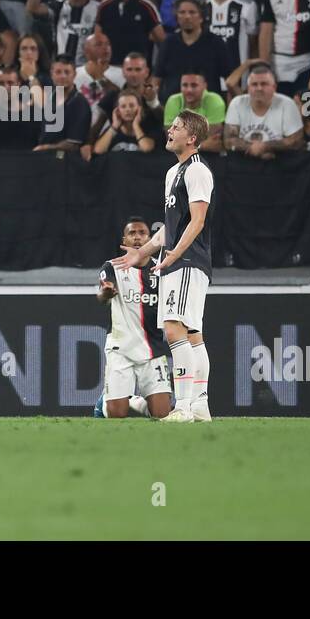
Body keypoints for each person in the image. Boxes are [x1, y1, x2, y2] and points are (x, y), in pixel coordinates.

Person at [110, 109, 214, 423]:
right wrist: (141, 255)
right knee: (193, 334)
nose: (170, 129)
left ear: (191, 137)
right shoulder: (174, 173)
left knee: (174, 330)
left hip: (187, 259)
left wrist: (173, 255)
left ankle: (182, 406)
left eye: (178, 127)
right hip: (177, 258)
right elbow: (171, 226)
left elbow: (197, 221)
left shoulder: (198, 170)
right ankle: (199, 404)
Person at [95, 216, 172, 418]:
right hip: (122, 348)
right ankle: (104, 402)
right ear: (124, 240)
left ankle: (136, 401)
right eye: (132, 233)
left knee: (163, 415)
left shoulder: (162, 269)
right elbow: (102, 294)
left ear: (150, 239)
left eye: (142, 233)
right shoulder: (112, 266)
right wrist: (106, 293)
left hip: (152, 349)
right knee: (116, 415)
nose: (137, 237)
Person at [224, 62, 305, 159]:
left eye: (264, 84)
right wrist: (253, 148)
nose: (259, 88)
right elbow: (229, 141)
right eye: (254, 84)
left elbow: (296, 141)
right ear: (248, 88)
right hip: (243, 160)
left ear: (274, 87)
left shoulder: (287, 104)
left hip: (279, 161)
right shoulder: (237, 103)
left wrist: (265, 146)